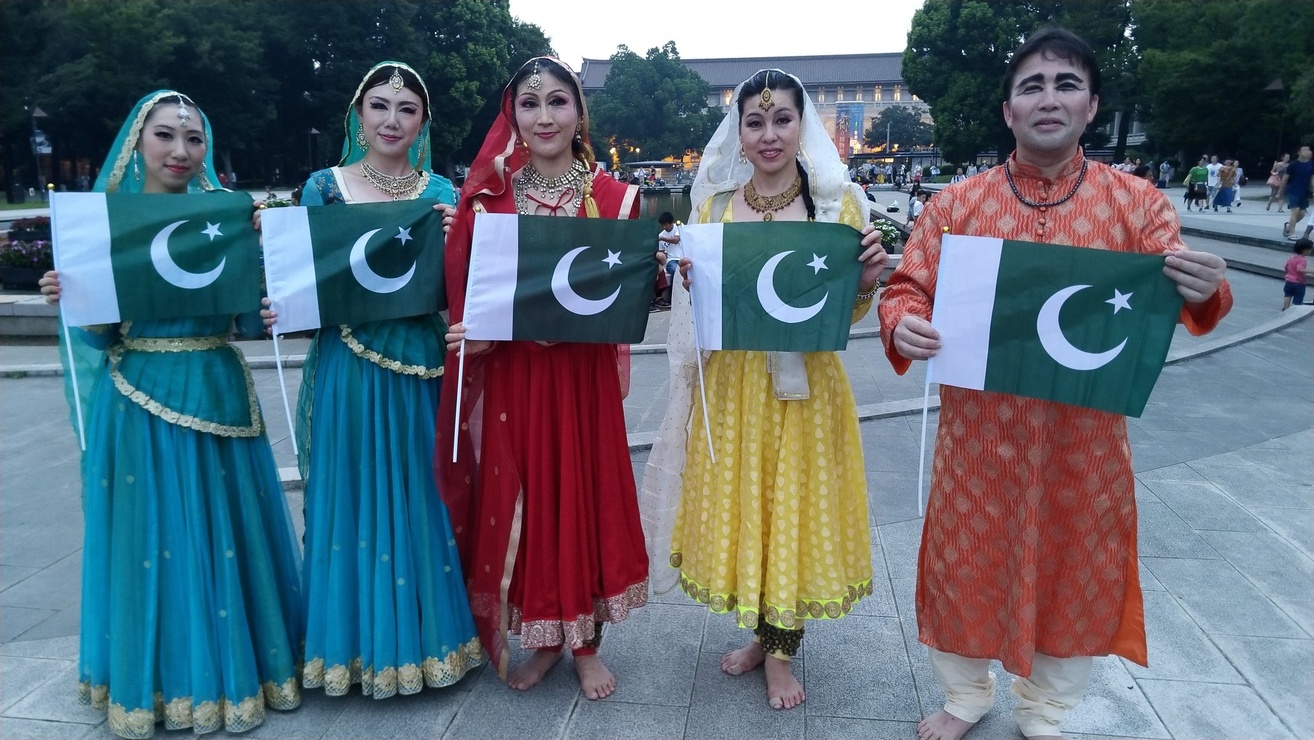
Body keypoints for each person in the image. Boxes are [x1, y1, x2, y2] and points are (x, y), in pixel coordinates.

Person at [878, 28, 1231, 740]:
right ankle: (966, 697)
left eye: (1065, 84)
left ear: (1092, 105)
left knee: (1076, 568)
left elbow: (1187, 301)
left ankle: (1046, 710)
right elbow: (908, 287)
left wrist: (1205, 288)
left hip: (1084, 444)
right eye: (1031, 86)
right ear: (1008, 110)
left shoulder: (1138, 206)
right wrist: (901, 323)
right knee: (964, 562)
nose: (1048, 98)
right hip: (978, 437)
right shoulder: (956, 206)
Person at [38, 91, 303, 738]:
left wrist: (265, 299)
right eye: (165, 137)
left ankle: (244, 670)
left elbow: (243, 321)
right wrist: (70, 293)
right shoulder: (107, 225)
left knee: (227, 538)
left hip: (217, 387)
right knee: (154, 542)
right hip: (139, 398)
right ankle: (159, 680)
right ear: (138, 144)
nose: (181, 152)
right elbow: (103, 337)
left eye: (194, 140)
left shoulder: (228, 218)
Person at [642, 68, 889, 711]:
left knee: (792, 512)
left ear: (801, 126)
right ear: (739, 132)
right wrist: (687, 275)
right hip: (734, 386)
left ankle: (781, 655)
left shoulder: (839, 205)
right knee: (749, 507)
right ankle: (759, 635)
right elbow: (703, 306)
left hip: (806, 387)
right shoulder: (715, 209)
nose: (769, 133)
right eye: (755, 121)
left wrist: (866, 280)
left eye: (782, 119)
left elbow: (849, 316)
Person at [260, 61, 482, 700]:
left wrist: (455, 244)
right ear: (358, 115)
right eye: (380, 106)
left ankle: (425, 642)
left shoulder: (442, 192)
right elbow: (304, 294)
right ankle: (350, 649)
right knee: (352, 496)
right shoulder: (323, 189)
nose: (392, 120)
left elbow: (460, 293)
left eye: (407, 109)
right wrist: (277, 294)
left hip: (419, 365)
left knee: (420, 496)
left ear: (423, 122)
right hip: (349, 367)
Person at [437, 56, 649, 701]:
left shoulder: (615, 201)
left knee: (577, 495)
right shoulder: (487, 200)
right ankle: (545, 638)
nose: (545, 116)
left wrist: (672, 272)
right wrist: (465, 330)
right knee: (525, 502)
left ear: (579, 112)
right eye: (529, 104)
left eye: (558, 101)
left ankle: (586, 644)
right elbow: (466, 293)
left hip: (581, 381)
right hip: (517, 378)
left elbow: (636, 293)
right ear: (513, 116)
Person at [1281, 145, 1313, 239]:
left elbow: (1312, 178)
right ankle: (1291, 233)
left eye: (1308, 150)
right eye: (1305, 150)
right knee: (1295, 211)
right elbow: (1285, 179)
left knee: (1302, 214)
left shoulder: (1311, 164)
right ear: (1299, 152)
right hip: (1293, 190)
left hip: (1305, 191)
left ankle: (1288, 227)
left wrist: (1312, 190)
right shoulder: (1293, 164)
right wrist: (1280, 192)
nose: (1307, 152)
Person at [654, 210, 682, 309]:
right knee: (675, 270)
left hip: (682, 257)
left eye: (666, 224)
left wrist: (662, 239)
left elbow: (676, 240)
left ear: (671, 223)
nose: (664, 227)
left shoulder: (679, 227)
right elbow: (661, 251)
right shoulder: (662, 235)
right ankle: (673, 297)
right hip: (672, 260)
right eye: (662, 225)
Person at [1283, 238, 1313, 310]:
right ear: (1305, 250)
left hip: (1289, 281)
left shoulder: (1292, 257)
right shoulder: (1302, 259)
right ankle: (1295, 309)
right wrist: (1311, 271)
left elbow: (1286, 267)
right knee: (1298, 297)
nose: (1311, 251)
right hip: (1299, 283)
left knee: (1288, 295)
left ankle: (1285, 308)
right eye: (1310, 249)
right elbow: (1299, 269)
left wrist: (1289, 273)